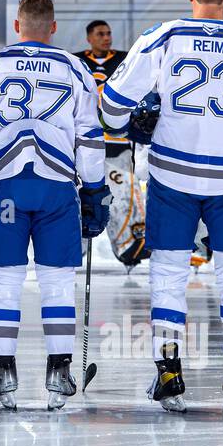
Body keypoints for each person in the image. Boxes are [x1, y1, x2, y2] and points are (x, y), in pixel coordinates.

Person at [100, 0, 223, 414]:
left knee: (168, 276)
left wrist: (135, 126)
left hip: (171, 178)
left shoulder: (161, 38)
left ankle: (168, 372)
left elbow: (111, 107)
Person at [0, 0, 109, 410]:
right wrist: (96, 189)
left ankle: (4, 372)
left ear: (17, 26)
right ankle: (59, 371)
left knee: (4, 281)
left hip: (5, 184)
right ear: (52, 27)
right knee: (57, 281)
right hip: (57, 187)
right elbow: (90, 134)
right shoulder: (74, 67)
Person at [78, 20, 149, 269]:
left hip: (118, 141)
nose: (106, 37)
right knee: (85, 196)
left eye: (108, 33)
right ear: (89, 37)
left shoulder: (124, 59)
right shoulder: (77, 62)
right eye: (100, 34)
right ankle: (77, 247)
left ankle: (130, 246)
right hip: (87, 141)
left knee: (123, 196)